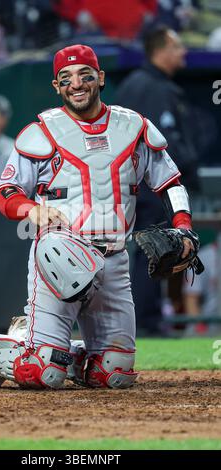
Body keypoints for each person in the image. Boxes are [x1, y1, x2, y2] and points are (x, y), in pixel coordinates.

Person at [0, 44, 197, 391]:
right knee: (41, 374)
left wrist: (184, 229)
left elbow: (170, 183)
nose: (76, 83)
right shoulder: (42, 132)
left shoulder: (134, 127)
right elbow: (6, 192)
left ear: (100, 78)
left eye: (85, 75)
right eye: (66, 78)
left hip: (114, 261)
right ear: (56, 86)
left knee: (115, 375)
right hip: (60, 257)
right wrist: (32, 209)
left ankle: (29, 344)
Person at [115, 25, 200, 335]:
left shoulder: (130, 84)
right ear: (161, 50)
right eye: (177, 47)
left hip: (126, 184)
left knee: (133, 252)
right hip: (152, 185)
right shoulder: (156, 88)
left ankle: (136, 320)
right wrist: (187, 168)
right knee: (153, 252)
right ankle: (147, 322)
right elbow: (166, 147)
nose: (184, 53)